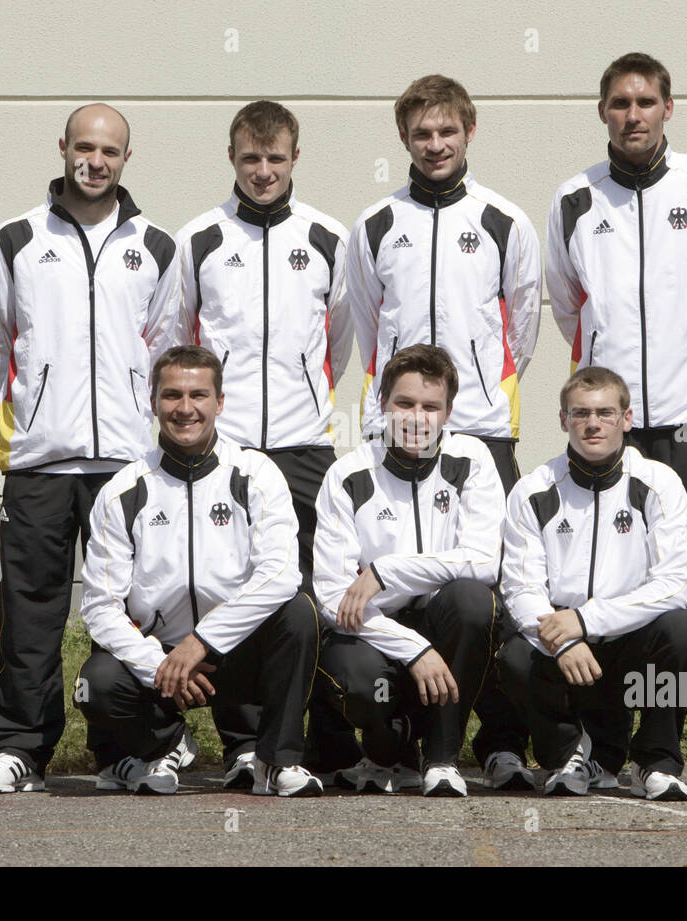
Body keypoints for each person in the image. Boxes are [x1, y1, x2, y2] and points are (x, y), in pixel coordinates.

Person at [544, 52, 687, 796]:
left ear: (668, 108)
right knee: (624, 592)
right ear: (602, 112)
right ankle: (640, 751)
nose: (632, 114)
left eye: (645, 101)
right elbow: (564, 307)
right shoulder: (575, 199)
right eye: (618, 103)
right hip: (617, 435)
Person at [0, 103, 187, 794]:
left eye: (111, 151)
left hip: (125, 467)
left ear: (127, 160)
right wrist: (38, 403)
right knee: (31, 610)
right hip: (41, 461)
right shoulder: (14, 239)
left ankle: (125, 749)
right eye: (85, 147)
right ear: (64, 148)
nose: (96, 161)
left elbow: (165, 345)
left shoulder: (156, 246)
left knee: (127, 612)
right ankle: (19, 750)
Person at [346, 74, 539, 788]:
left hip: (481, 429)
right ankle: (394, 739)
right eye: (422, 133)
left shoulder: (504, 222)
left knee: (489, 594)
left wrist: (480, 395)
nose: (435, 145)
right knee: (393, 586)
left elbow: (522, 323)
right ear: (405, 138)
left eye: (447, 132)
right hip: (394, 432)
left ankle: (499, 740)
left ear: (469, 132)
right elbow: (368, 329)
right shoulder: (372, 225)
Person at [173, 100, 360, 787]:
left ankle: (310, 742)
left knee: (310, 597)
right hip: (226, 451)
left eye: (275, 159)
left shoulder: (329, 238)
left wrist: (308, 401)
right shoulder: (198, 239)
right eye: (250, 159)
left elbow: (340, 339)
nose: (263, 171)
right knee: (231, 591)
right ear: (232, 159)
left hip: (304, 445)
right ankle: (244, 742)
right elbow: (178, 339)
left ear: (294, 159)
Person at [74, 346, 323, 797]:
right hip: (163, 656)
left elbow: (282, 573)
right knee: (96, 684)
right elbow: (99, 605)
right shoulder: (122, 490)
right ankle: (165, 744)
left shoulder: (256, 473)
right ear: (153, 403)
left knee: (299, 613)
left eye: (198, 395)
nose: (185, 408)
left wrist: (204, 641)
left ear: (220, 402)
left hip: (237, 647)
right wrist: (162, 664)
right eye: (171, 395)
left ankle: (275, 759)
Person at [499, 367, 687, 800]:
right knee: (515, 654)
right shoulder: (533, 489)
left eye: (606, 413)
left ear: (626, 419)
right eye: (581, 413)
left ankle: (656, 761)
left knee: (682, 629)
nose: (593, 423)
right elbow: (519, 587)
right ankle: (568, 755)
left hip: (627, 641)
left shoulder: (659, 483)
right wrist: (565, 638)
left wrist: (586, 620)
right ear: (563, 420)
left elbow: (676, 583)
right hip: (561, 649)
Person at [312, 346, 504, 797]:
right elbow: (330, 595)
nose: (416, 418)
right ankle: (386, 751)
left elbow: (484, 560)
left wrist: (386, 571)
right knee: (362, 685)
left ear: (448, 412)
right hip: (371, 629)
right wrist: (415, 649)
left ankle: (441, 756)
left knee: (473, 601)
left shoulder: (472, 459)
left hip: (442, 623)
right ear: (382, 404)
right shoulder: (348, 474)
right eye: (404, 403)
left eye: (430, 406)